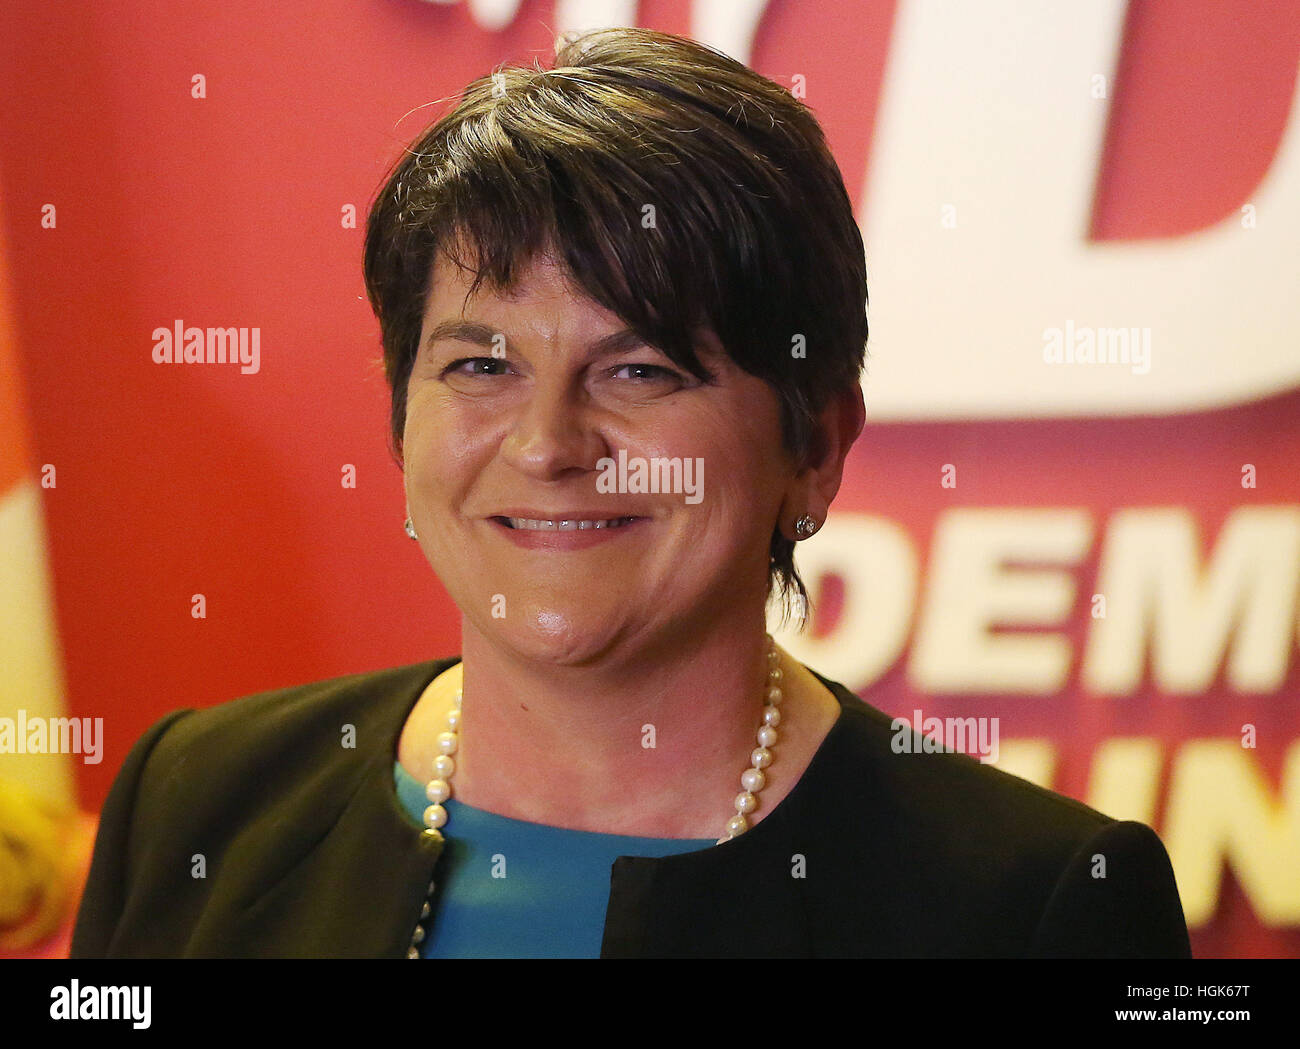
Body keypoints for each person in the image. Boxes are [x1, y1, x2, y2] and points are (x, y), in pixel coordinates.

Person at [70, 26, 1191, 959]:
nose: (548, 443)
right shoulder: (192, 802)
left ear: (814, 445)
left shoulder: (1045, 906)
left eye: (641, 369)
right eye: (480, 364)